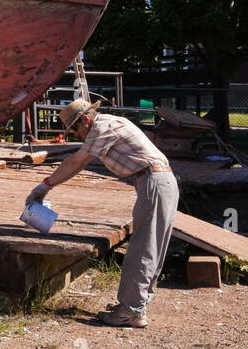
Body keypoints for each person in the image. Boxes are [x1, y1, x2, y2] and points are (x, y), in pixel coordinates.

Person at [25, 97, 179, 328]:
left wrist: (44, 185)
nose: (76, 134)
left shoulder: (102, 126)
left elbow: (77, 161)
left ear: (85, 119)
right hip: (159, 180)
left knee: (144, 248)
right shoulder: (109, 124)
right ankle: (135, 306)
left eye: (75, 128)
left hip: (154, 181)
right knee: (151, 247)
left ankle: (130, 312)